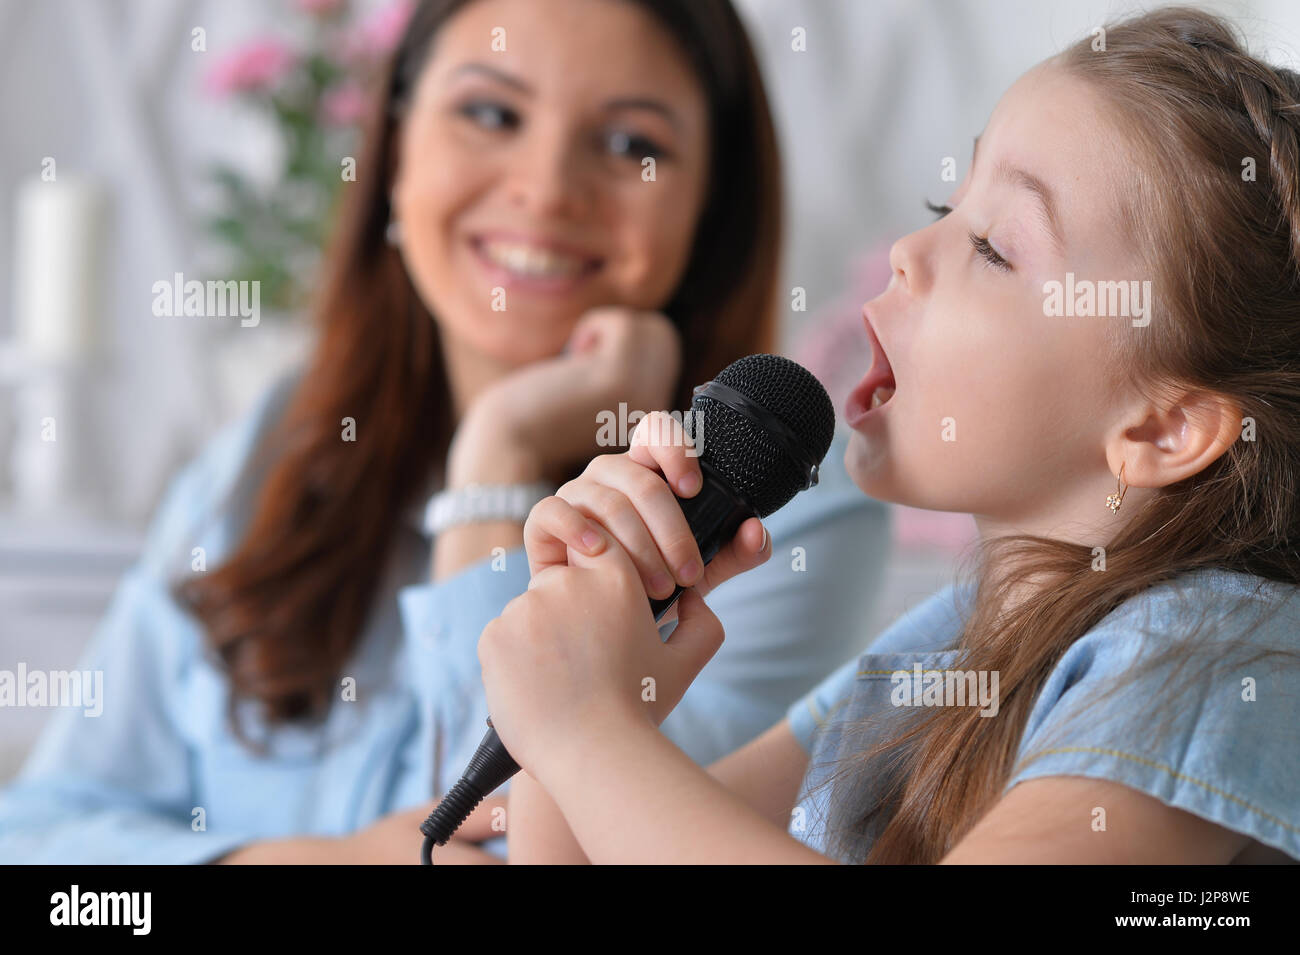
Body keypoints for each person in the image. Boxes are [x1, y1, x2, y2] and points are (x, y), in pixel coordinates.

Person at [0, 0, 889, 864]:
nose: (544, 189)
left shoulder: (768, 524)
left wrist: (495, 461)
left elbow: (520, 845)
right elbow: (37, 835)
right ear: (393, 154)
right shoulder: (277, 447)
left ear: (709, 208)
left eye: (631, 145)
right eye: (490, 112)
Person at [484, 6, 1300, 864]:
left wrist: (589, 733)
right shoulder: (952, 636)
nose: (908, 249)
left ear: (1165, 427)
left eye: (991, 246)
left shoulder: (1213, 658)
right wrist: (597, 651)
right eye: (941, 206)